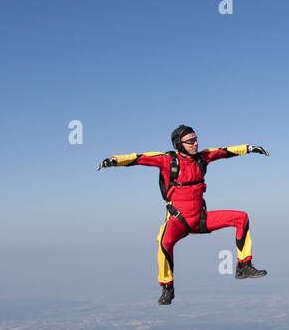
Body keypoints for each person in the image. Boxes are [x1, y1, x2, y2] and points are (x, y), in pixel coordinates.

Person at [99, 125, 267, 305]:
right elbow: (139, 158)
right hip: (178, 220)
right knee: (164, 242)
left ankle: (244, 266)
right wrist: (114, 160)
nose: (196, 144)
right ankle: (167, 287)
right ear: (179, 144)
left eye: (196, 140)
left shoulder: (203, 158)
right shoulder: (167, 160)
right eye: (190, 141)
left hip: (200, 219)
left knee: (241, 217)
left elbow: (225, 151)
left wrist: (249, 149)